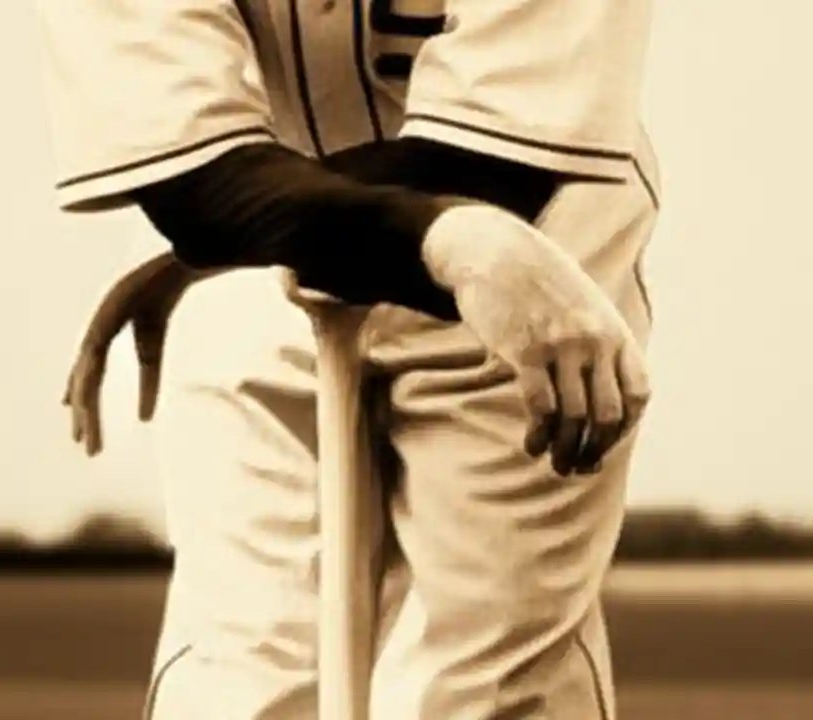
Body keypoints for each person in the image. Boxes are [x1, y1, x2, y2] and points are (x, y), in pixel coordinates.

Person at [38, 1, 661, 718]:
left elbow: (498, 154)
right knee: (243, 681)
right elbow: (194, 173)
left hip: (527, 245)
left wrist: (224, 221)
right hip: (256, 241)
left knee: (478, 687)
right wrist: (212, 229)